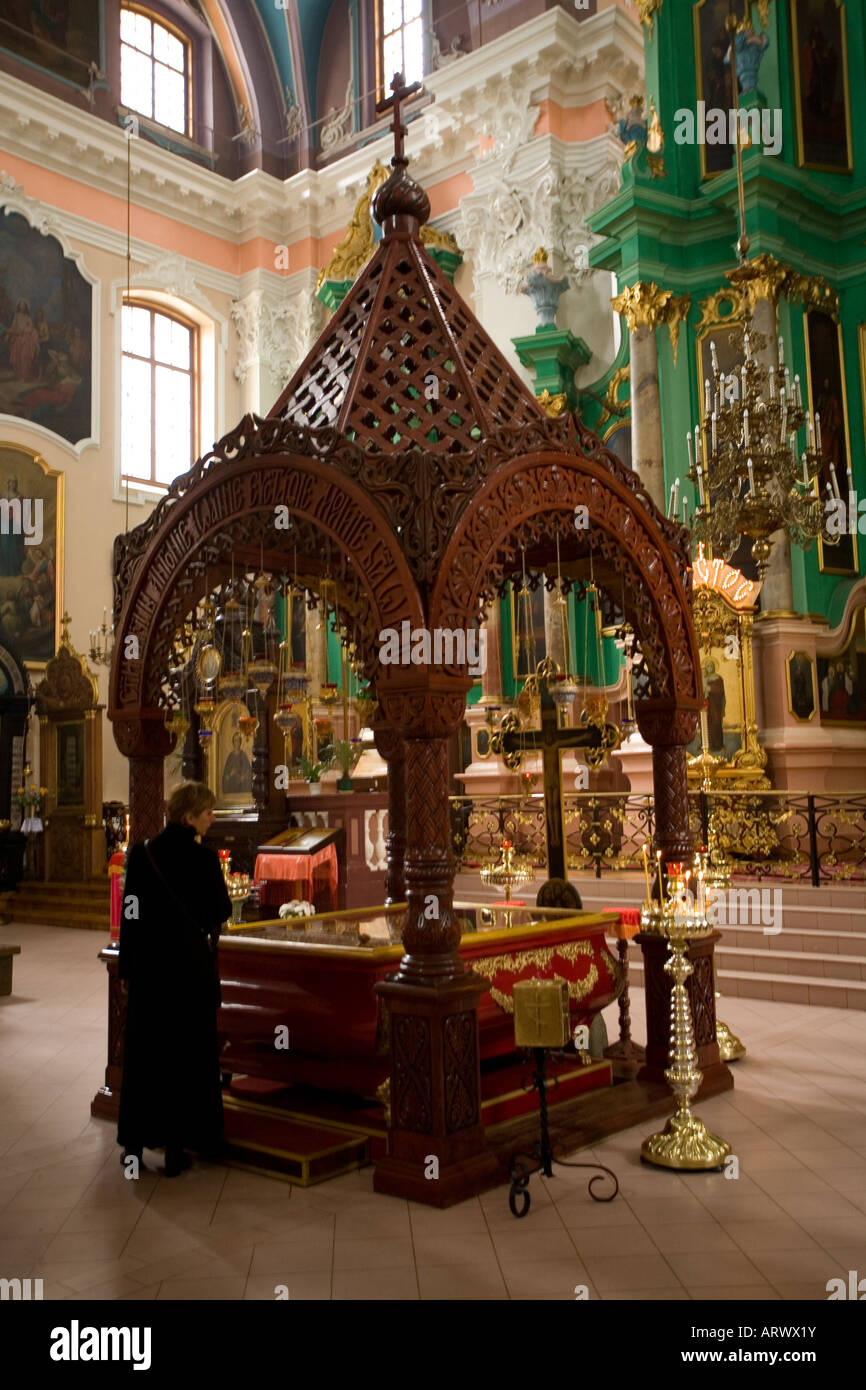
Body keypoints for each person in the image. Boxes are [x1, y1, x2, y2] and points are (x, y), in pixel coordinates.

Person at [117, 781, 232, 1176]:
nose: (212, 818)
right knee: (185, 1059)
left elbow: (129, 913)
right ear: (189, 817)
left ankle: (133, 1145)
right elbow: (221, 908)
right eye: (208, 812)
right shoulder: (204, 860)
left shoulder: (142, 853)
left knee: (146, 1057)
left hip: (150, 973)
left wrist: (127, 967)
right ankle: (176, 1151)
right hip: (188, 974)